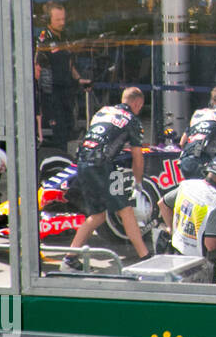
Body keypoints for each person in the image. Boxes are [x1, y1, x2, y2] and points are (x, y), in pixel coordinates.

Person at [64, 87, 152, 267]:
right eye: (140, 107)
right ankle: (145, 256)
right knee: (125, 209)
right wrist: (138, 183)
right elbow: (138, 157)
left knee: (97, 215)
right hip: (103, 165)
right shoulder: (132, 120)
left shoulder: (103, 111)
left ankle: (69, 258)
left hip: (82, 162)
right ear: (137, 103)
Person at [157, 153, 216, 277]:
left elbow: (163, 204)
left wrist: (172, 229)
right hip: (199, 265)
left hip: (177, 253)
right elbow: (211, 244)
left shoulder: (187, 185)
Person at [35, 2, 90, 150]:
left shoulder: (65, 36)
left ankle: (64, 159)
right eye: (58, 20)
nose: (62, 23)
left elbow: (69, 63)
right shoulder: (43, 39)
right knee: (58, 133)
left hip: (67, 91)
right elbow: (37, 67)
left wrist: (79, 79)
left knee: (68, 130)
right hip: (52, 93)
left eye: (63, 19)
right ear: (48, 19)